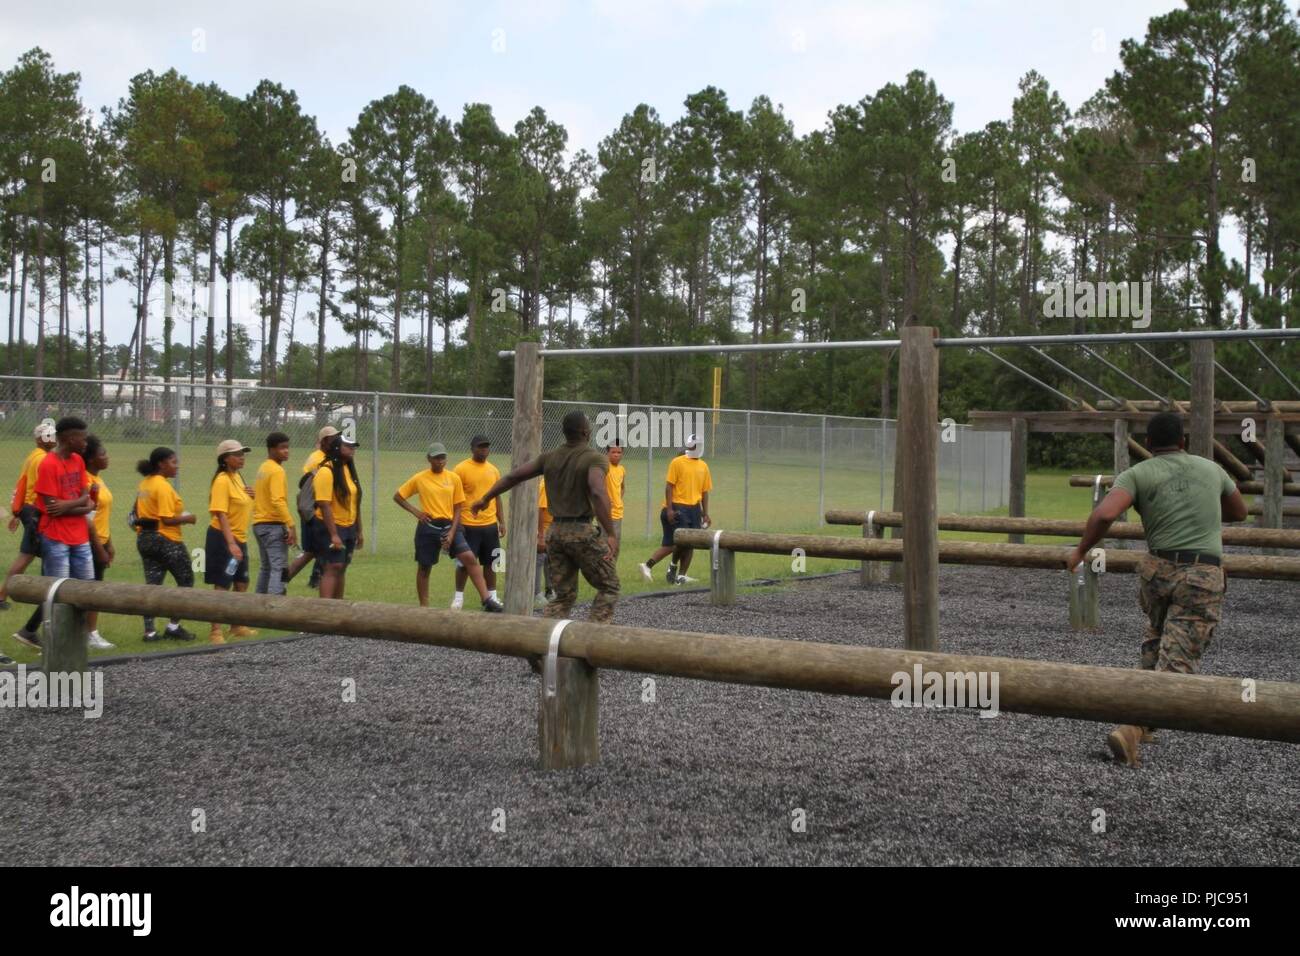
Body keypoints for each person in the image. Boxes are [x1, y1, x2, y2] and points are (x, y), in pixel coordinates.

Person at [1067, 411, 1248, 768]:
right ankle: (1134, 727)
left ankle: (1143, 717)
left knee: (1157, 635)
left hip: (1156, 574)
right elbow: (1239, 512)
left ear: (1148, 445)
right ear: (1184, 442)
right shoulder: (1212, 469)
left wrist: (1080, 551)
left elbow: (1105, 514)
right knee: (1179, 660)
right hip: (1201, 576)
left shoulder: (1137, 473)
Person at [471, 411, 619, 626]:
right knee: (609, 585)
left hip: (555, 533)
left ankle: (542, 646)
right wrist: (611, 534)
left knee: (563, 595)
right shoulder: (594, 458)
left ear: (565, 433)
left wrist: (486, 498)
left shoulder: (549, 458)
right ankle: (593, 639)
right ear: (586, 432)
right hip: (582, 532)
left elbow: (514, 476)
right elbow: (597, 490)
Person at [11, 417, 96, 651]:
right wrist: (81, 503)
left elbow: (85, 498)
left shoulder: (78, 460)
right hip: (56, 537)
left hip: (80, 536)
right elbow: (52, 509)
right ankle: (55, 643)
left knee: (86, 590)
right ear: (69, 438)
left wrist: (74, 503)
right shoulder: (48, 464)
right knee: (57, 593)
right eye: (82, 437)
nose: (86, 441)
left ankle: (74, 640)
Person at [393, 443, 504, 612]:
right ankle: (424, 607)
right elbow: (398, 496)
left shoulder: (453, 478)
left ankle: (487, 599)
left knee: (469, 559)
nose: (440, 461)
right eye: (436, 458)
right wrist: (417, 512)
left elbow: (458, 506)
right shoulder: (420, 478)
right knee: (424, 567)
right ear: (429, 459)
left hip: (449, 525)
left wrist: (452, 532)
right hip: (428, 527)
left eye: (443, 457)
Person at [133, 447, 198, 642]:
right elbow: (167, 519)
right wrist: (188, 518)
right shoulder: (162, 486)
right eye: (173, 462)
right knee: (186, 581)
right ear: (161, 464)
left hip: (145, 539)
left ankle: (150, 631)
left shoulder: (145, 483)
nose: (177, 466)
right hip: (166, 539)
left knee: (152, 586)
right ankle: (173, 627)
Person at [639, 433, 712, 585]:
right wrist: (670, 509)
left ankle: (680, 575)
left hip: (694, 509)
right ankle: (669, 568)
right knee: (680, 543)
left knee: (688, 543)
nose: (693, 448)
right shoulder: (677, 462)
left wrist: (705, 514)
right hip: (678, 507)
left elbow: (704, 492)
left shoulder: (704, 466)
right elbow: (669, 487)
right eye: (691, 445)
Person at [0, 422, 57, 611]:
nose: (53, 438)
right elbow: (40, 489)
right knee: (29, 555)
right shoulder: (42, 459)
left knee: (34, 555)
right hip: (35, 512)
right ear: (40, 439)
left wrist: (17, 513)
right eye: (50, 435)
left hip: (28, 510)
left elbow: (23, 484)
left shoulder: (34, 455)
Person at [206, 440, 258, 644]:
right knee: (222, 583)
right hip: (223, 538)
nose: (242, 457)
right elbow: (220, 513)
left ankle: (237, 625)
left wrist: (250, 495)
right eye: (237, 454)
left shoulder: (237, 477)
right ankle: (215, 631)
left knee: (242, 582)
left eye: (243, 453)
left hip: (239, 537)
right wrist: (231, 544)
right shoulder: (222, 480)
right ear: (225, 459)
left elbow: (239, 502)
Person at [451, 435, 505, 610]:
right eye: (480, 447)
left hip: (490, 525)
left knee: (493, 562)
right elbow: (454, 498)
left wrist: (502, 521)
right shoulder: (460, 469)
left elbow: (497, 498)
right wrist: (456, 523)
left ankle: (493, 597)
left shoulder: (494, 470)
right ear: (472, 448)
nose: (484, 450)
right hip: (468, 525)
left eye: (486, 447)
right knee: (465, 563)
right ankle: (458, 597)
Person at [311, 434, 364, 600]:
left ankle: (338, 609)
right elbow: (324, 504)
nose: (352, 450)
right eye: (348, 446)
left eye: (353, 446)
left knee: (342, 567)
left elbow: (355, 502)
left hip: (349, 527)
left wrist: (359, 530)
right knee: (333, 566)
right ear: (336, 448)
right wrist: (333, 534)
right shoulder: (326, 471)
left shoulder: (347, 469)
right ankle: (325, 611)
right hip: (330, 526)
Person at [290, 425, 339, 589]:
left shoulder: (316, 456)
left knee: (312, 551)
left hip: (308, 508)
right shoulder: (321, 460)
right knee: (324, 549)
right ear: (325, 441)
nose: (337, 440)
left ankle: (310, 580)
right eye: (333, 438)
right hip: (316, 510)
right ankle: (317, 581)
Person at [253, 431, 297, 598]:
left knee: (266, 566)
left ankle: (258, 602)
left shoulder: (263, 467)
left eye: (287, 447)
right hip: (272, 525)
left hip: (259, 524)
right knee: (279, 566)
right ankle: (274, 604)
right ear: (271, 449)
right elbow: (277, 500)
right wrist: (291, 525)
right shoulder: (277, 471)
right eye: (282, 448)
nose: (286, 451)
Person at [83, 435, 115, 649]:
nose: (107, 457)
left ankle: (88, 632)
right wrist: (99, 547)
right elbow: (88, 518)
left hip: (101, 541)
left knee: (95, 586)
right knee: (93, 590)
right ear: (91, 459)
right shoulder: (86, 480)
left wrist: (109, 543)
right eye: (102, 454)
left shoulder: (98, 478)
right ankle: (91, 634)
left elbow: (103, 515)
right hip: (90, 543)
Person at [535, 478, 553, 607]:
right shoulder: (545, 485)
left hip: (553, 529)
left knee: (551, 560)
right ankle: (536, 593)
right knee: (540, 559)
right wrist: (541, 536)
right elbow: (539, 510)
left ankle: (550, 590)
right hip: (544, 529)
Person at [606, 443, 626, 545]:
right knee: (606, 543)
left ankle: (612, 561)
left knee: (616, 543)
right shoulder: (604, 467)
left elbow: (622, 487)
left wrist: (618, 499)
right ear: (607, 453)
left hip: (618, 511)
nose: (616, 455)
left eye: (619, 452)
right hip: (605, 511)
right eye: (613, 452)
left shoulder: (622, 469)